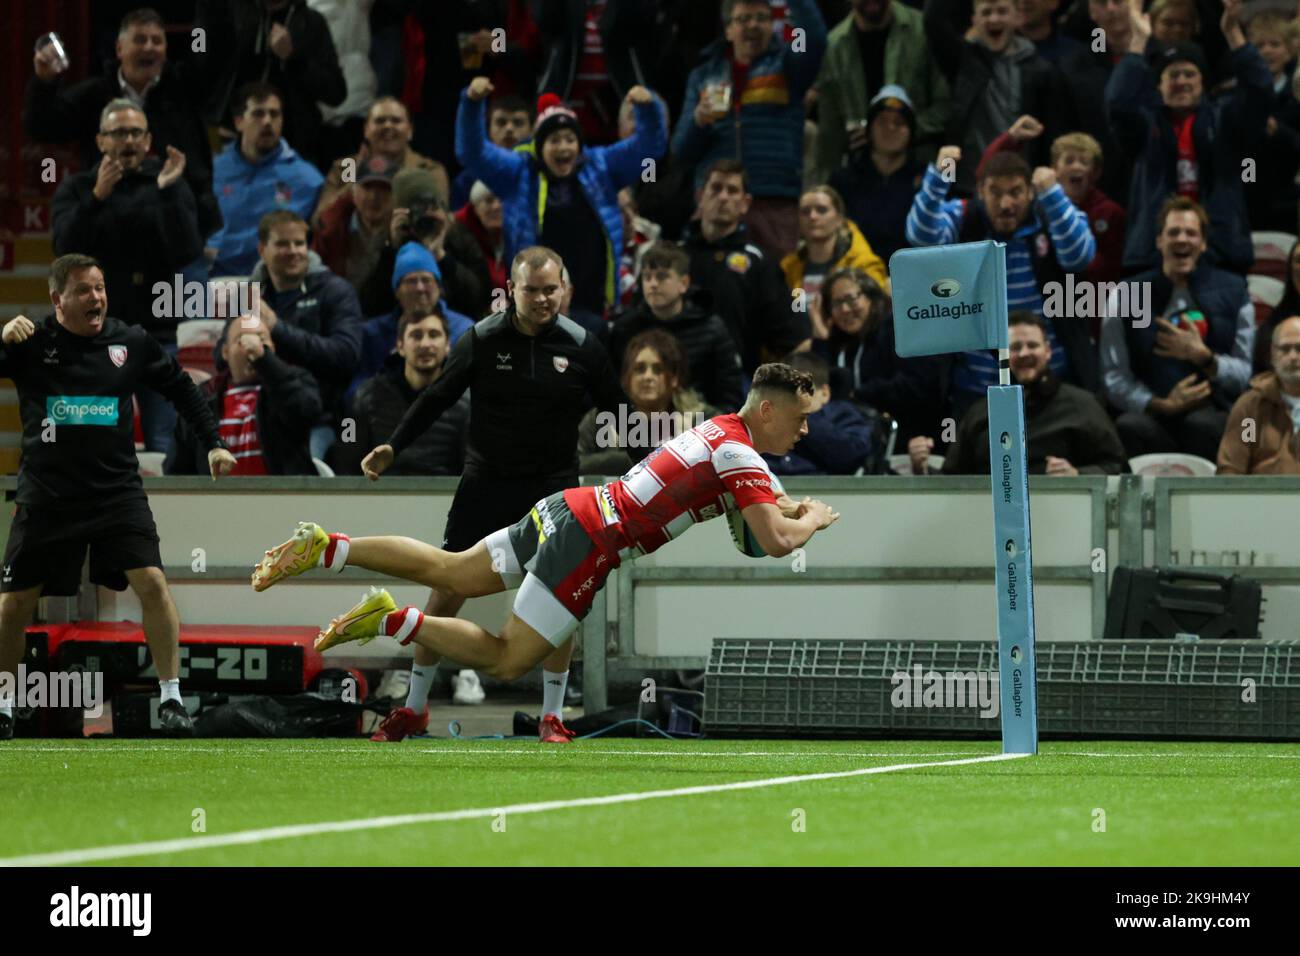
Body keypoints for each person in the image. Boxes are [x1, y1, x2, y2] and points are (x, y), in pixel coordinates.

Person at [249, 363, 839, 723]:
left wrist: (787, 507)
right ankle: (391, 620)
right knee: (510, 657)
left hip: (570, 505)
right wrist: (812, 518)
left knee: (453, 571)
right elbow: (778, 539)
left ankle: (329, 547)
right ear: (767, 410)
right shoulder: (741, 454)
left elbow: (753, 499)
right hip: (589, 540)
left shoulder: (720, 430)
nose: (804, 429)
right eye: (800, 418)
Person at [275, 247, 640, 744]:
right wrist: (393, 445)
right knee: (447, 590)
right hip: (485, 484)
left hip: (553, 490)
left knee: (562, 603)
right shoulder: (483, 340)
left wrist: (653, 467)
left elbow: (621, 414)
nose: (542, 299)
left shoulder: (583, 346)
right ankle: (414, 707)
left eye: (551, 290)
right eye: (531, 290)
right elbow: (437, 396)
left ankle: (552, 716)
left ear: (565, 289)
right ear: (511, 289)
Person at [0, 254, 237, 741]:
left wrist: (213, 441)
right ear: (56, 299)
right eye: (85, 290)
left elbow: (181, 390)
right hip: (47, 495)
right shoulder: (32, 343)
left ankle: (171, 698)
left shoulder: (130, 342)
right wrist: (0, 340)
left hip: (116, 493)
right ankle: (4, 702)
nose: (97, 298)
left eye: (101, 287)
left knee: (152, 582)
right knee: (14, 602)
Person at [456, 76, 667, 336]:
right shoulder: (518, 171)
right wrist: (472, 103)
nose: (563, 147)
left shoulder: (600, 166)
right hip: (534, 307)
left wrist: (648, 109)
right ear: (539, 146)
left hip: (593, 304)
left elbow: (649, 149)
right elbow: (472, 152)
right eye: (554, 140)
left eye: (569, 139)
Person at [51, 99, 204, 456]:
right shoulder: (78, 188)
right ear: (101, 140)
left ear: (148, 140)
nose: (129, 140)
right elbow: (63, 248)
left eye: (136, 132)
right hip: (96, 337)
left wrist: (167, 194)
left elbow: (188, 249)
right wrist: (96, 198)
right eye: (119, 132)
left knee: (162, 442)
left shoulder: (168, 183)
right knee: (97, 441)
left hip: (157, 334)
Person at [906, 146, 1098, 417]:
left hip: (1048, 381)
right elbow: (921, 238)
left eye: (1016, 192)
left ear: (1030, 192)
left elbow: (1078, 257)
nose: (1006, 204)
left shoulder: (1051, 213)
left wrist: (1052, 193)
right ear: (981, 192)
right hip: (976, 385)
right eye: (995, 192)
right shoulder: (964, 216)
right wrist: (939, 177)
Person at [24, 6, 223, 239]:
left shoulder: (186, 88)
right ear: (119, 48)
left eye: (156, 41)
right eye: (140, 40)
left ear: (166, 50)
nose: (149, 47)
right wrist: (44, 82)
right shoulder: (94, 95)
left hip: (180, 230)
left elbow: (216, 53)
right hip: (112, 229)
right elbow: (41, 126)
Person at [1106, 0, 1269, 273]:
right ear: (1159, 86)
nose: (1181, 81)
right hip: (1154, 254)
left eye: (1190, 74)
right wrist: (1139, 42)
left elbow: (1260, 90)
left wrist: (1232, 32)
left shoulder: (1226, 120)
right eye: (1173, 74)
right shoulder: (1144, 126)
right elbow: (1118, 102)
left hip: (1220, 251)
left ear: (1202, 83)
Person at [1100, 196, 1255, 460]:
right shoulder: (1125, 295)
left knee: (1203, 426)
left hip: (1212, 412)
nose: (1182, 239)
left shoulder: (1235, 291)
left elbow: (1245, 373)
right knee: (1128, 427)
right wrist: (1160, 404)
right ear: (1159, 240)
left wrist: (1205, 359)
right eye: (1173, 232)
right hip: (1151, 413)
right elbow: (1114, 376)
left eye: (1191, 233)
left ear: (1203, 243)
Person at [674, 0, 828, 256]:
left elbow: (815, 38)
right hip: (717, 198)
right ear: (728, 30)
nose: (753, 25)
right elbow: (681, 151)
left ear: (773, 26)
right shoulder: (702, 75)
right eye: (743, 19)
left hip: (773, 198)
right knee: (713, 286)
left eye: (761, 18)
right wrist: (697, 122)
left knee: (777, 287)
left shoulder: (789, 67)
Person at [909, 311, 1127, 475]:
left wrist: (1078, 474)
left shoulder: (1083, 405)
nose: (1024, 353)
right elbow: (954, 481)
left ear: (1048, 351)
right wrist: (922, 468)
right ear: (1004, 356)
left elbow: (1120, 468)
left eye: (1032, 345)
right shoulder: (980, 413)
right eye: (1015, 347)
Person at [242, 211, 364, 461]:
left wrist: (277, 329)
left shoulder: (335, 291)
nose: (294, 251)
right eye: (283, 244)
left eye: (299, 243)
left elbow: (346, 355)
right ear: (262, 249)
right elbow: (224, 352)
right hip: (255, 416)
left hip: (320, 418)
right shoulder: (251, 295)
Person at [922, 0, 1070, 195]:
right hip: (967, 186)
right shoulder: (962, 61)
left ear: (1017, 17)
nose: (994, 18)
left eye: (1001, 11)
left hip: (1021, 191)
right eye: (986, 12)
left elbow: (1054, 136)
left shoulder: (1042, 71)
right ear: (974, 20)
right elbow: (933, 20)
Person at [680, 160, 812, 373]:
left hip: (735, 385)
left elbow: (795, 339)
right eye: (716, 188)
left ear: (745, 203)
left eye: (732, 191)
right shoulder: (677, 256)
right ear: (699, 197)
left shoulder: (759, 264)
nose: (723, 197)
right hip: (675, 381)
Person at [814, 0, 950, 182]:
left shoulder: (923, 30)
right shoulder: (834, 45)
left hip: (919, 171)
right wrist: (827, 186)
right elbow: (830, 133)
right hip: (860, 175)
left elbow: (946, 105)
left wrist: (903, 129)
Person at [168, 317, 321, 475]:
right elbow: (177, 468)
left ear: (273, 348)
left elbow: (305, 412)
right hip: (218, 498)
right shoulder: (202, 397)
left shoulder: (295, 380)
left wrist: (265, 360)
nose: (253, 347)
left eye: (261, 339)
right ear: (226, 352)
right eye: (242, 340)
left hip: (281, 497)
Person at [202, 0, 347, 167]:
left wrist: (293, 58)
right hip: (226, 139)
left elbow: (336, 92)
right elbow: (202, 72)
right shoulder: (231, 15)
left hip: (290, 147)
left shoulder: (311, 22)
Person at [608, 242, 745, 411]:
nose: (653, 284)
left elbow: (730, 395)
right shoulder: (625, 328)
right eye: (647, 277)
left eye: (662, 276)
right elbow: (612, 388)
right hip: (636, 423)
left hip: (697, 422)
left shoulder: (712, 329)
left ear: (684, 283)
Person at [206, 83, 325, 277]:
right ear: (239, 122)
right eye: (258, 114)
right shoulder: (213, 169)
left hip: (276, 283)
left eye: (274, 114)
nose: (267, 121)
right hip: (215, 279)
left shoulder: (307, 179)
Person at [813, 266, 943, 442]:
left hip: (910, 438)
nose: (844, 309)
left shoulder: (898, 329)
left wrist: (856, 395)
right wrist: (821, 338)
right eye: (836, 303)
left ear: (871, 298)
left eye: (851, 299)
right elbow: (818, 390)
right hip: (857, 437)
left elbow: (914, 386)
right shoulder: (840, 342)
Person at [339, 310, 469, 477]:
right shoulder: (367, 396)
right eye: (416, 335)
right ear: (400, 346)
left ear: (447, 346)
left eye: (434, 335)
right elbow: (346, 461)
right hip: (380, 495)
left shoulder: (465, 402)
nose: (425, 344)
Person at [346, 242, 474, 407]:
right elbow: (356, 384)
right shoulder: (373, 332)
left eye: (427, 280)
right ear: (397, 290)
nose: (420, 288)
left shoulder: (465, 329)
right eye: (411, 281)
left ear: (438, 287)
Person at [579, 330, 721, 475]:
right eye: (640, 369)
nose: (648, 377)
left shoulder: (701, 420)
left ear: (674, 378)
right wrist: (630, 459)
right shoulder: (601, 418)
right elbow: (575, 464)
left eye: (658, 370)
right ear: (627, 377)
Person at [314, 96, 451, 229]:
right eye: (380, 121)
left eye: (396, 121)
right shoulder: (348, 167)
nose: (388, 126)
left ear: (410, 131)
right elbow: (320, 221)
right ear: (366, 130)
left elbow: (436, 220)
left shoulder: (427, 170)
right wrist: (356, 177)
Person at [829, 85, 926, 265]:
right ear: (869, 130)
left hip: (911, 273)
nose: (890, 128)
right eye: (882, 121)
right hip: (854, 274)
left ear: (911, 132)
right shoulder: (843, 179)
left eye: (899, 122)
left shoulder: (927, 181)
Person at [781, 184, 889, 327]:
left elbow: (875, 317)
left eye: (821, 210)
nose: (812, 216)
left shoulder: (865, 265)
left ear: (839, 218)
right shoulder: (788, 268)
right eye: (805, 212)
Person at [766, 351, 878, 475]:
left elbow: (851, 455)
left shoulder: (842, 414)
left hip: (823, 487)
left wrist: (802, 420)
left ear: (824, 393)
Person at [1217, 315, 1300, 474]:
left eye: (1299, 348)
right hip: (1263, 498)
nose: (1293, 357)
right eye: (1284, 349)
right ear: (1272, 356)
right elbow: (1232, 470)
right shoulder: (1252, 409)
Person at [1245, 10, 1300, 233]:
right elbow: (1244, 157)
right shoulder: (1239, 96)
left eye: (1274, 44)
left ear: (1289, 50)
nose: (1266, 51)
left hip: (1291, 199)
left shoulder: (1297, 97)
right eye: (1259, 45)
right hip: (1252, 200)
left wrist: (1279, 132)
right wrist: (1247, 181)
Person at [311, 155, 396, 289]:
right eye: (367, 187)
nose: (374, 197)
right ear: (353, 192)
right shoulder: (331, 229)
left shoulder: (403, 231)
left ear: (395, 195)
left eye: (383, 188)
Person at [450, 96, 533, 210]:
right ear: (488, 129)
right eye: (501, 122)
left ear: (531, 130)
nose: (509, 128)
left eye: (518, 123)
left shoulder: (541, 174)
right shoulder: (466, 181)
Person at [454, 181, 509, 296]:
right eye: (489, 201)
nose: (497, 206)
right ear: (475, 208)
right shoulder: (457, 238)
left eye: (501, 200)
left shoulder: (515, 237)